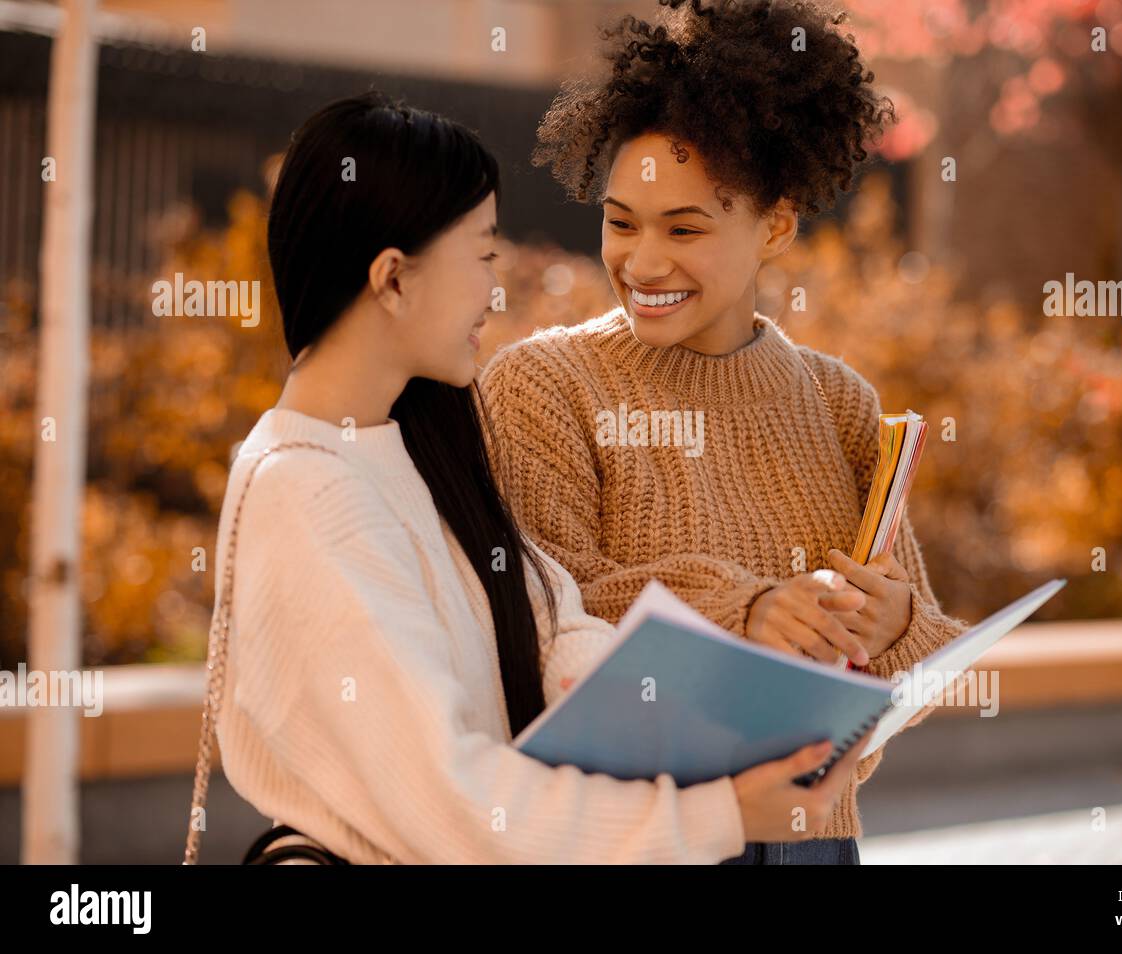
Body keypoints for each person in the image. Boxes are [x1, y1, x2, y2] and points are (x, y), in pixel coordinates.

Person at [203, 91, 868, 865]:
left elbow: (557, 633)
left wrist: (752, 717)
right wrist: (717, 815)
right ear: (393, 279)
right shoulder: (306, 495)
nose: (497, 288)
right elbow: (455, 801)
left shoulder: (415, 448)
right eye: (483, 254)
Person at [482, 0, 967, 864]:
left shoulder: (840, 403)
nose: (643, 262)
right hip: (644, 840)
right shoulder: (543, 386)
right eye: (621, 221)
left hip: (817, 840)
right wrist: (744, 610)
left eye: (685, 228)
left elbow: (915, 655)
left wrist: (894, 627)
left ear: (775, 227)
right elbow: (548, 619)